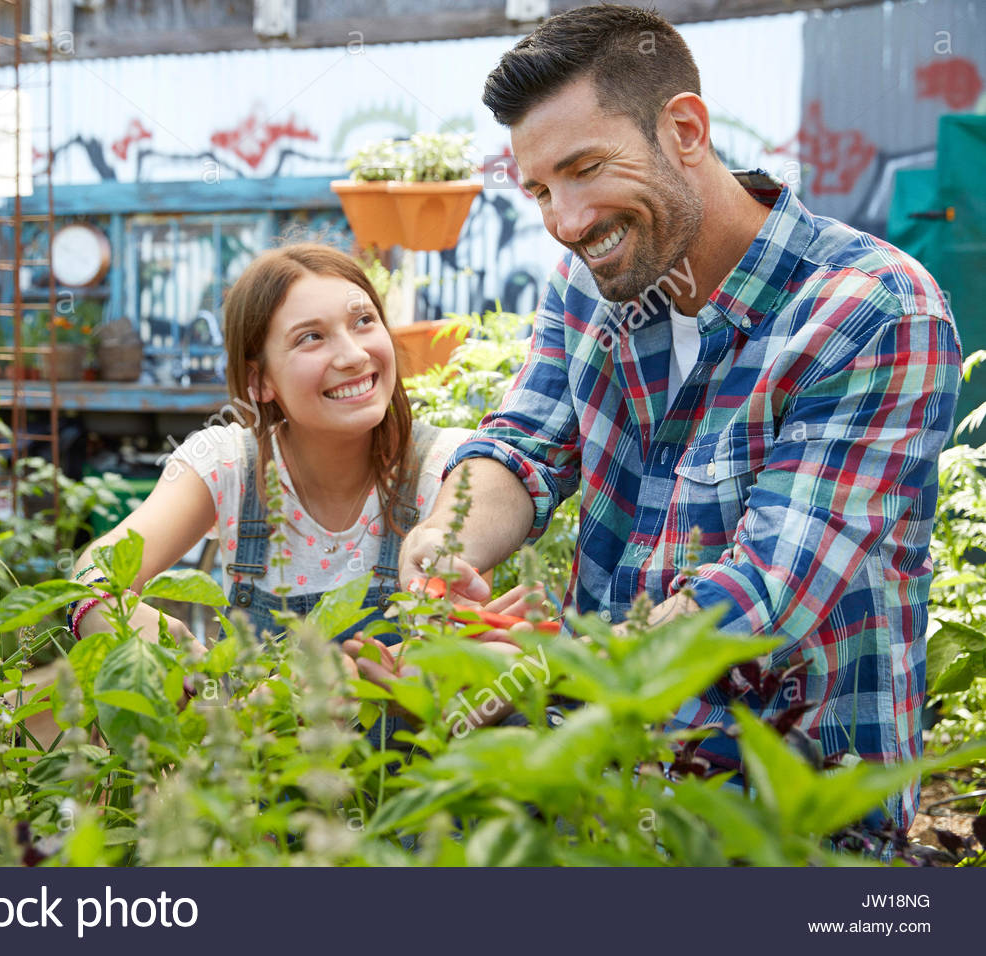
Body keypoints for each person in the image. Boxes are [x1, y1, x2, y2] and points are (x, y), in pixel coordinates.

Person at [396, 4, 961, 832]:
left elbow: (764, 591)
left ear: (686, 129)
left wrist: (539, 667)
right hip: (609, 794)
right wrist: (443, 547)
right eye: (542, 190)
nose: (567, 221)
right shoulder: (590, 289)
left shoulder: (873, 309)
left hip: (784, 828)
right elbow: (522, 445)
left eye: (586, 167)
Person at [67, 242, 473, 648]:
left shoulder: (449, 467)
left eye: (364, 320)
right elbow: (92, 572)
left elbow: (455, 651)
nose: (353, 355)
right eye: (311, 337)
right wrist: (122, 618)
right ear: (259, 381)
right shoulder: (226, 465)